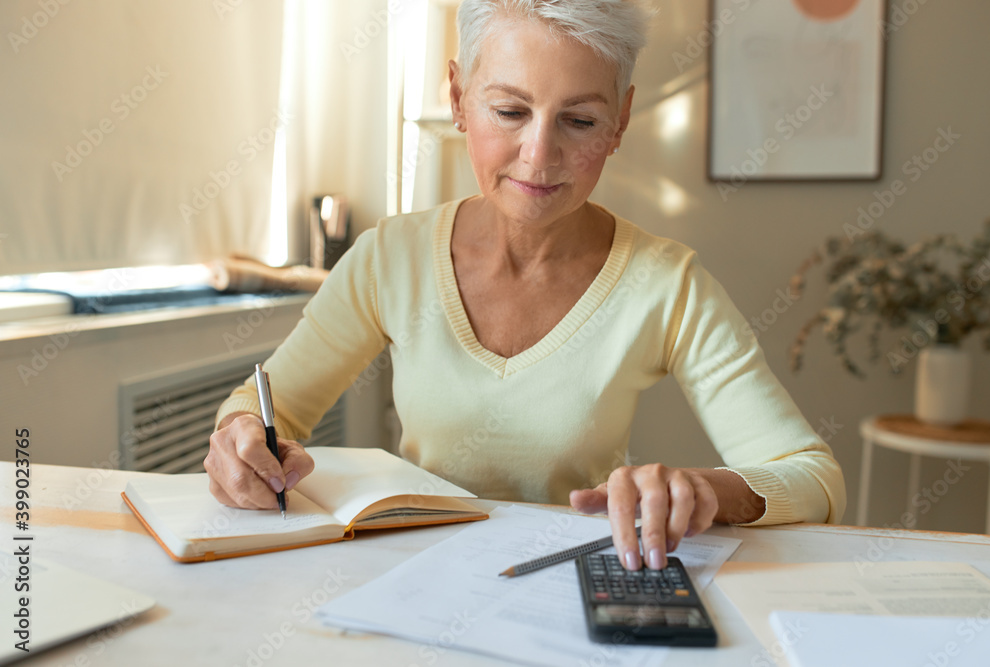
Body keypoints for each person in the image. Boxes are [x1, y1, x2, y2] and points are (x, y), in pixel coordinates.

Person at [206, 0, 846, 572]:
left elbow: (815, 479)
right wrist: (240, 438)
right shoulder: (388, 257)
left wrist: (706, 490)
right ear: (458, 97)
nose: (539, 156)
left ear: (620, 120)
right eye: (509, 110)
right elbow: (265, 405)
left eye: (581, 121)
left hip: (571, 584)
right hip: (415, 575)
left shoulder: (668, 284)